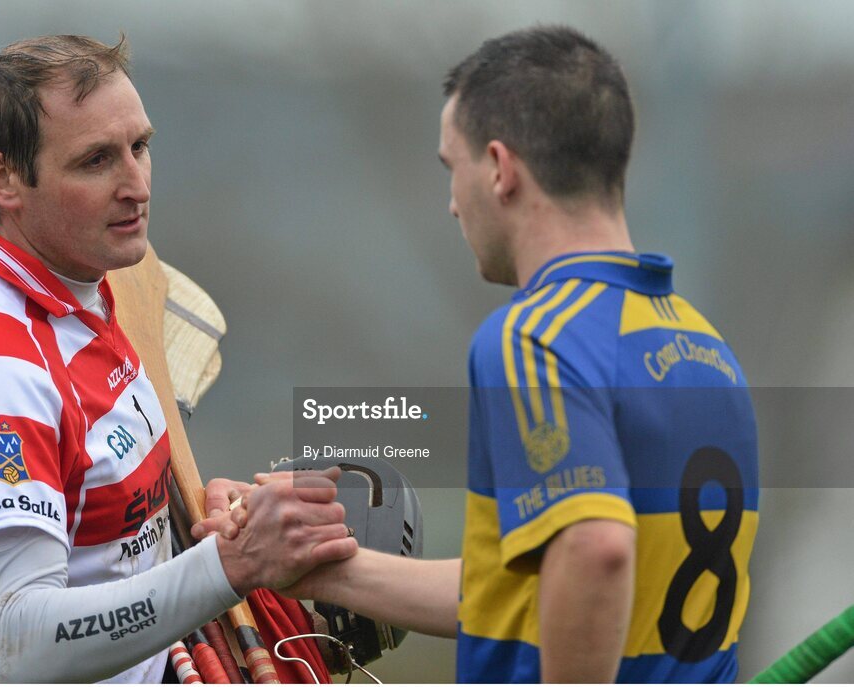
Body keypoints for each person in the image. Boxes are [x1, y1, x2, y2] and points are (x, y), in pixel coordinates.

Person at [198, 25, 759, 683]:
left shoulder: (532, 338)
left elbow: (595, 549)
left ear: (499, 168)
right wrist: (307, 566)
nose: (451, 203)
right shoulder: (701, 346)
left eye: (450, 167)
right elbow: (526, 597)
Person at [0, 34, 355, 683]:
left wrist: (209, 518)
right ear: (4, 177)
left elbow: (99, 517)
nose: (135, 184)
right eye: (96, 160)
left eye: (140, 146)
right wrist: (231, 566)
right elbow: (22, 644)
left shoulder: (82, 273)